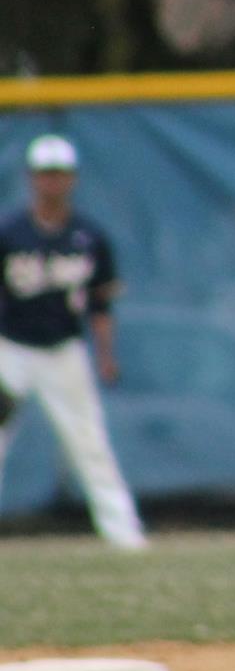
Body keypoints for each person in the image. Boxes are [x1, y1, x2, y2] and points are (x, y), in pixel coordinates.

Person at [0, 133, 148, 550]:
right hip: (10, 349)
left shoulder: (88, 236)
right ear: (32, 178)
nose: (52, 182)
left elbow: (100, 304)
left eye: (59, 174)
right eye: (46, 174)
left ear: (72, 179)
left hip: (64, 350)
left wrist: (106, 355)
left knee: (89, 440)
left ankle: (124, 534)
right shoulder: (10, 232)